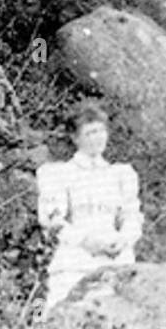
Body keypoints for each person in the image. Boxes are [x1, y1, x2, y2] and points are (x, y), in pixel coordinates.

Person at [35, 100, 142, 313]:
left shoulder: (121, 174)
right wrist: (86, 241)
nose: (98, 138)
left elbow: (132, 217)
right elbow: (53, 221)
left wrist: (123, 240)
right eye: (90, 133)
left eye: (101, 131)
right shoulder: (59, 173)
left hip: (115, 260)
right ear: (75, 138)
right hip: (75, 261)